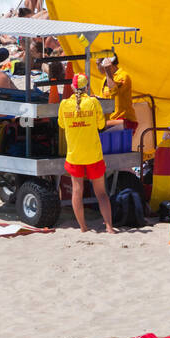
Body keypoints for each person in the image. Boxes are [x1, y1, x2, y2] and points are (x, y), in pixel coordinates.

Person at [57, 74, 117, 233]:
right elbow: (101, 124)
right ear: (87, 88)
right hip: (93, 154)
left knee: (77, 191)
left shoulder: (64, 104)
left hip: (75, 154)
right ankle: (109, 227)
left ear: (72, 87)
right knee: (101, 193)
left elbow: (62, 125)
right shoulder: (93, 102)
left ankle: (83, 227)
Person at [100, 52, 139, 141]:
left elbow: (114, 91)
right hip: (111, 120)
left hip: (125, 120)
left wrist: (108, 73)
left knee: (100, 126)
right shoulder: (104, 80)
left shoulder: (124, 76)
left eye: (99, 64)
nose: (98, 67)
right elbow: (105, 100)